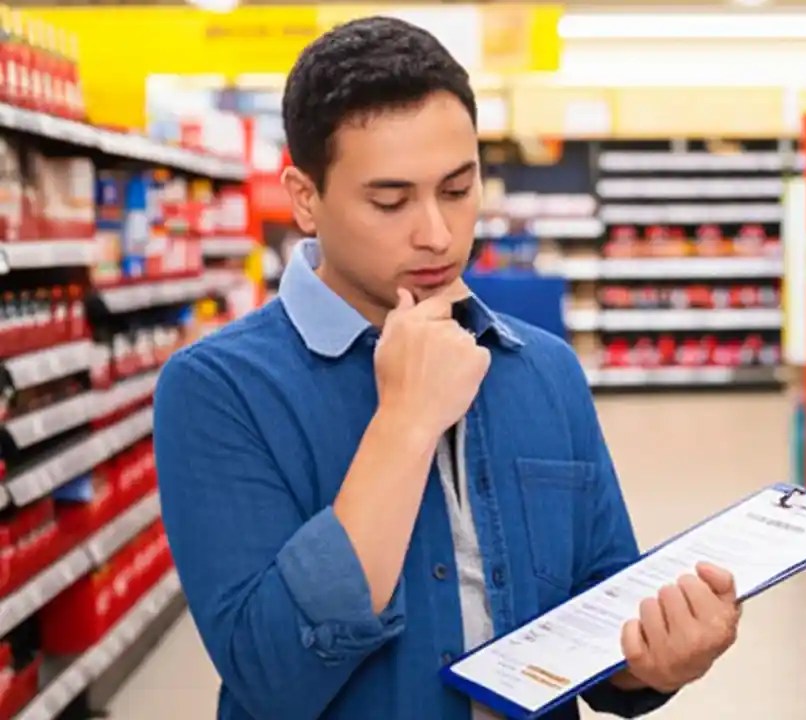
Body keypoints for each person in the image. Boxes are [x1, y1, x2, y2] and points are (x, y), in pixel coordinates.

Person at [153, 16, 741, 720]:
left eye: (458, 190)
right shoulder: (218, 390)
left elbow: (599, 611)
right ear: (305, 199)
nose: (436, 234)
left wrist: (654, 664)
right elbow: (272, 678)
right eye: (390, 201)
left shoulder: (543, 369)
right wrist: (403, 424)